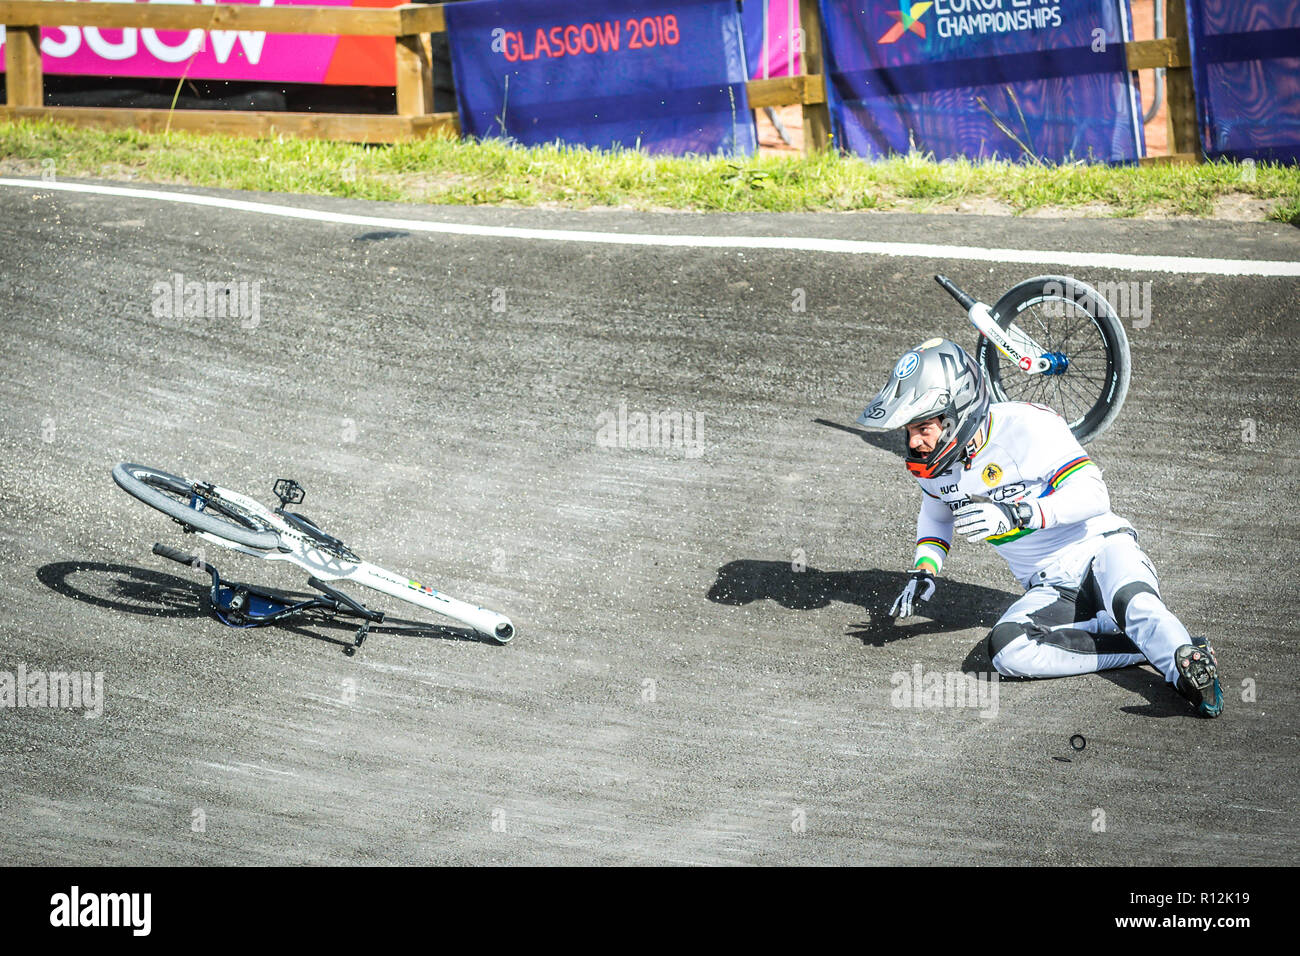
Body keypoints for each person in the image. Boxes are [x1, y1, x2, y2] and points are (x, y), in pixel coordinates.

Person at [856, 337, 1222, 717]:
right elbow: (936, 514)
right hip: (1050, 585)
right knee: (1008, 650)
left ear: (957, 412)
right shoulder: (932, 464)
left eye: (924, 427)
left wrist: (1018, 514)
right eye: (909, 430)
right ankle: (1151, 648)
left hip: (1103, 550)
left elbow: (1094, 496)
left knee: (1134, 603)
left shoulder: (1028, 425)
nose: (914, 442)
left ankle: (1186, 670)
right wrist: (925, 569)